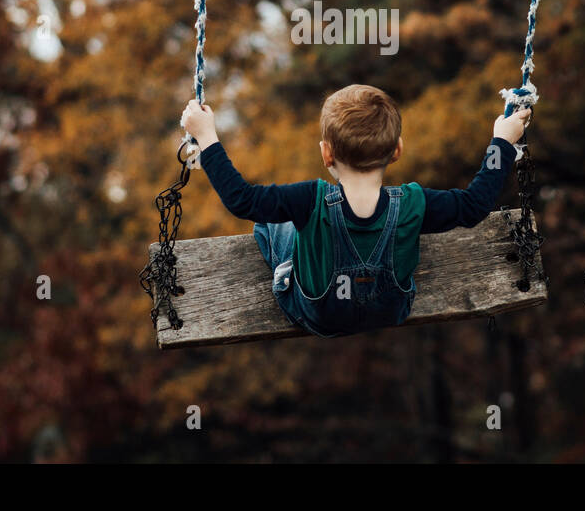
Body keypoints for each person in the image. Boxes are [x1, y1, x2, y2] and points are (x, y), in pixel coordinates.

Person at [180, 83, 530, 337]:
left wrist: (207, 137)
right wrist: (501, 142)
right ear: (397, 151)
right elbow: (473, 206)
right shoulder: (414, 203)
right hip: (390, 312)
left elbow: (243, 199)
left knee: (272, 221)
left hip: (318, 316)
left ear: (326, 154)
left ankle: (287, 272)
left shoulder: (310, 199)